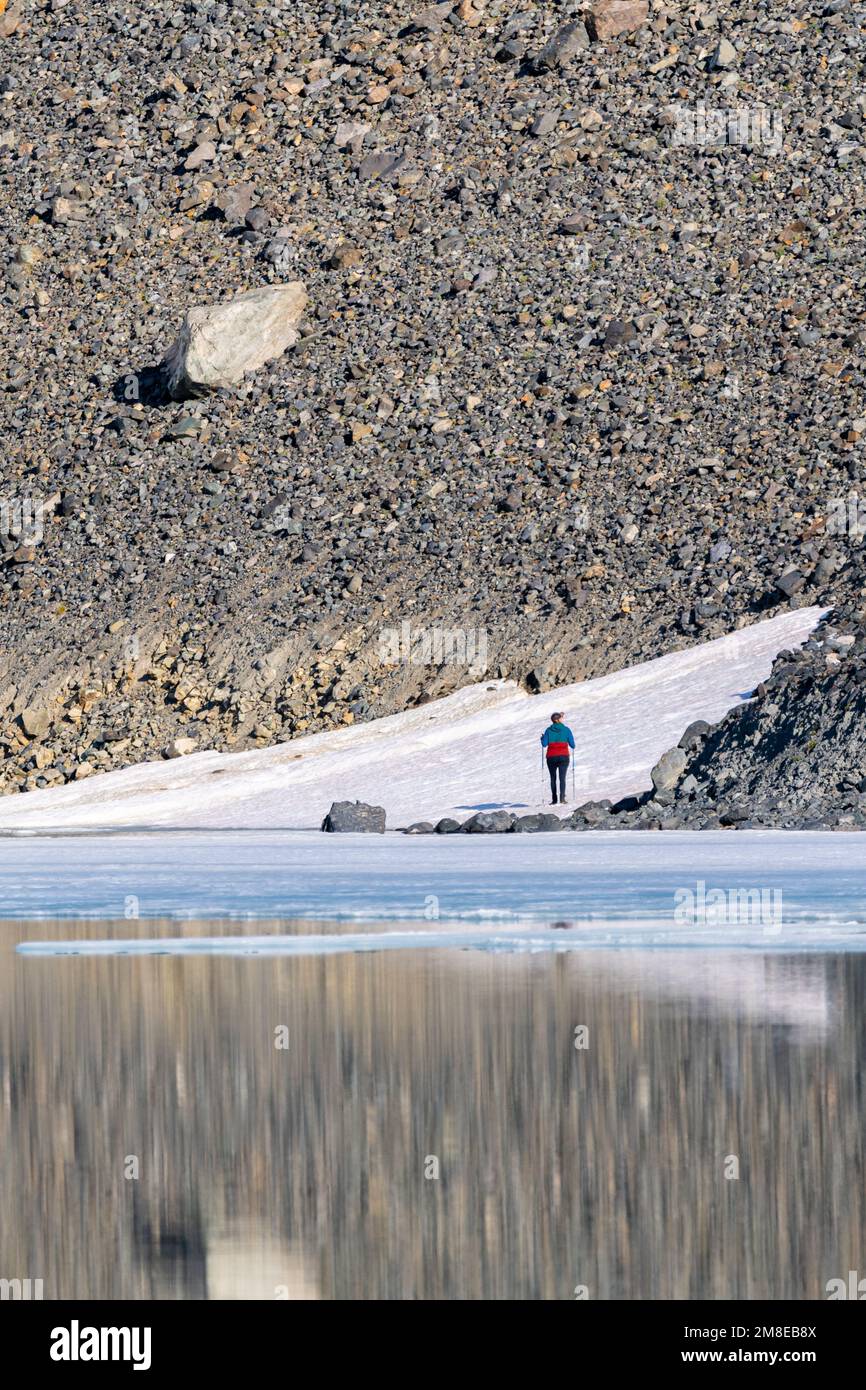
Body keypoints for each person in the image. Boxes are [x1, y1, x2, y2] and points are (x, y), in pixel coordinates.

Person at [540, 712, 575, 805]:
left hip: (551, 757)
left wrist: (542, 738)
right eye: (561, 718)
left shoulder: (548, 730)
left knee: (553, 778)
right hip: (563, 756)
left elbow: (544, 744)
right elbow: (573, 745)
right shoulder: (566, 730)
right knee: (562, 778)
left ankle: (554, 800)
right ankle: (562, 799)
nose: (562, 719)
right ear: (558, 719)